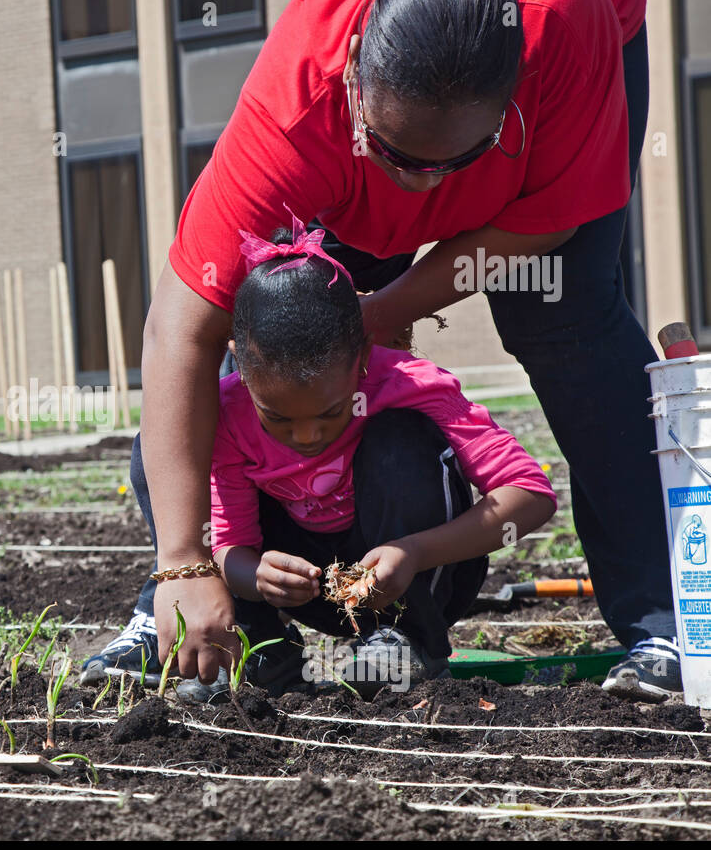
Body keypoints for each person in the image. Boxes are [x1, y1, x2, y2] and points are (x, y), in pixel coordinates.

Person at [85, 0, 679, 702]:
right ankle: (175, 610)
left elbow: (545, 221)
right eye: (396, 153)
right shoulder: (296, 104)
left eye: (453, 162)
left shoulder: (562, 18)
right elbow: (182, 327)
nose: (425, 190)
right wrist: (183, 562)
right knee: (295, 319)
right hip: (344, 149)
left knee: (563, 317)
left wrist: (377, 316)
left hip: (567, 74)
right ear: (358, 70)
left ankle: (667, 618)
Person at [84, 217, 557, 698]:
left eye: (331, 414)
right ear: (242, 370)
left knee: (397, 441)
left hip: (417, 577)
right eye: (279, 419)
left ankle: (408, 640)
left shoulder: (410, 384)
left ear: (364, 355)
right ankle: (263, 651)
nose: (307, 435)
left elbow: (531, 496)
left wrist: (415, 552)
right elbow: (227, 546)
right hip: (309, 587)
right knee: (172, 443)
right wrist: (257, 575)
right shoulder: (228, 413)